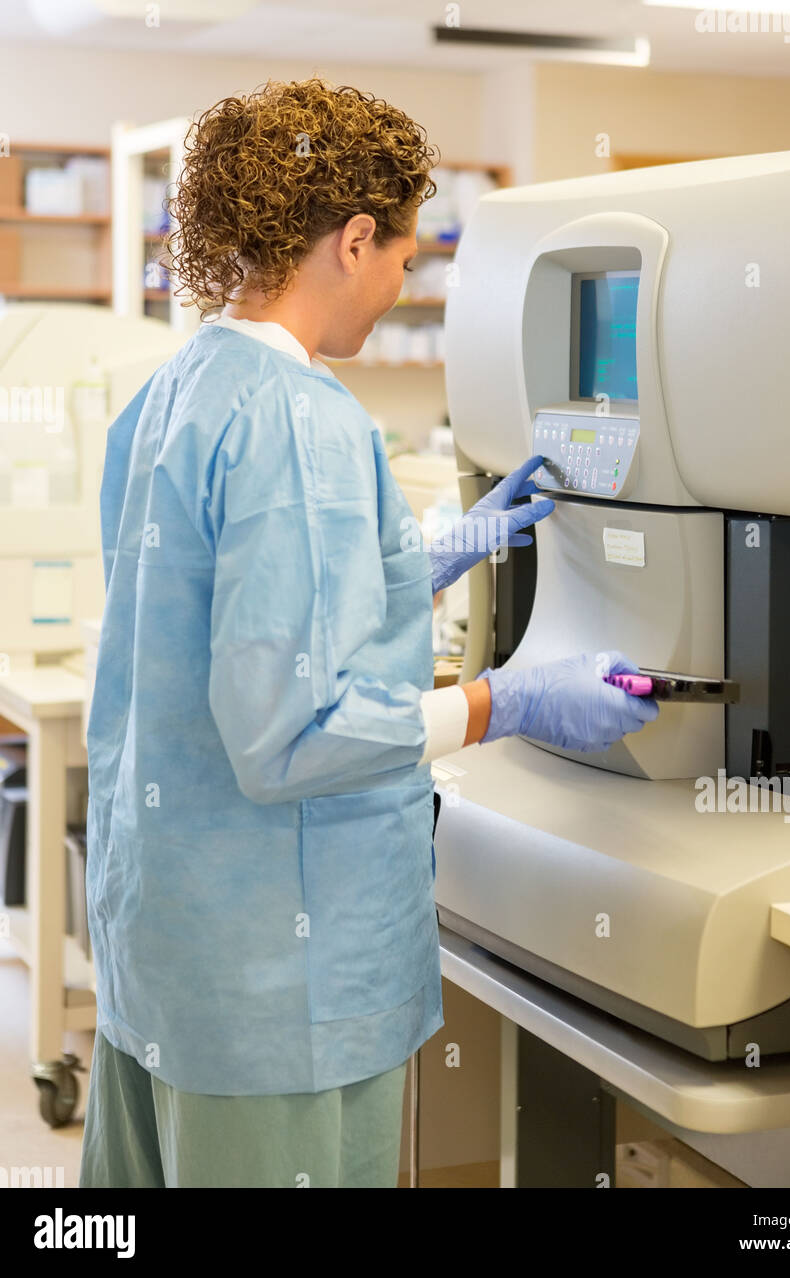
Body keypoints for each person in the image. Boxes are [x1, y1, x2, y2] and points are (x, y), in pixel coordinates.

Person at [78, 79, 658, 1189]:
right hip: (276, 986)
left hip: (168, 944)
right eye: (403, 254)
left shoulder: (173, 392)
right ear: (352, 239)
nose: (401, 283)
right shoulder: (304, 419)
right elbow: (289, 734)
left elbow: (226, 610)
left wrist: (438, 549)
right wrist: (506, 702)